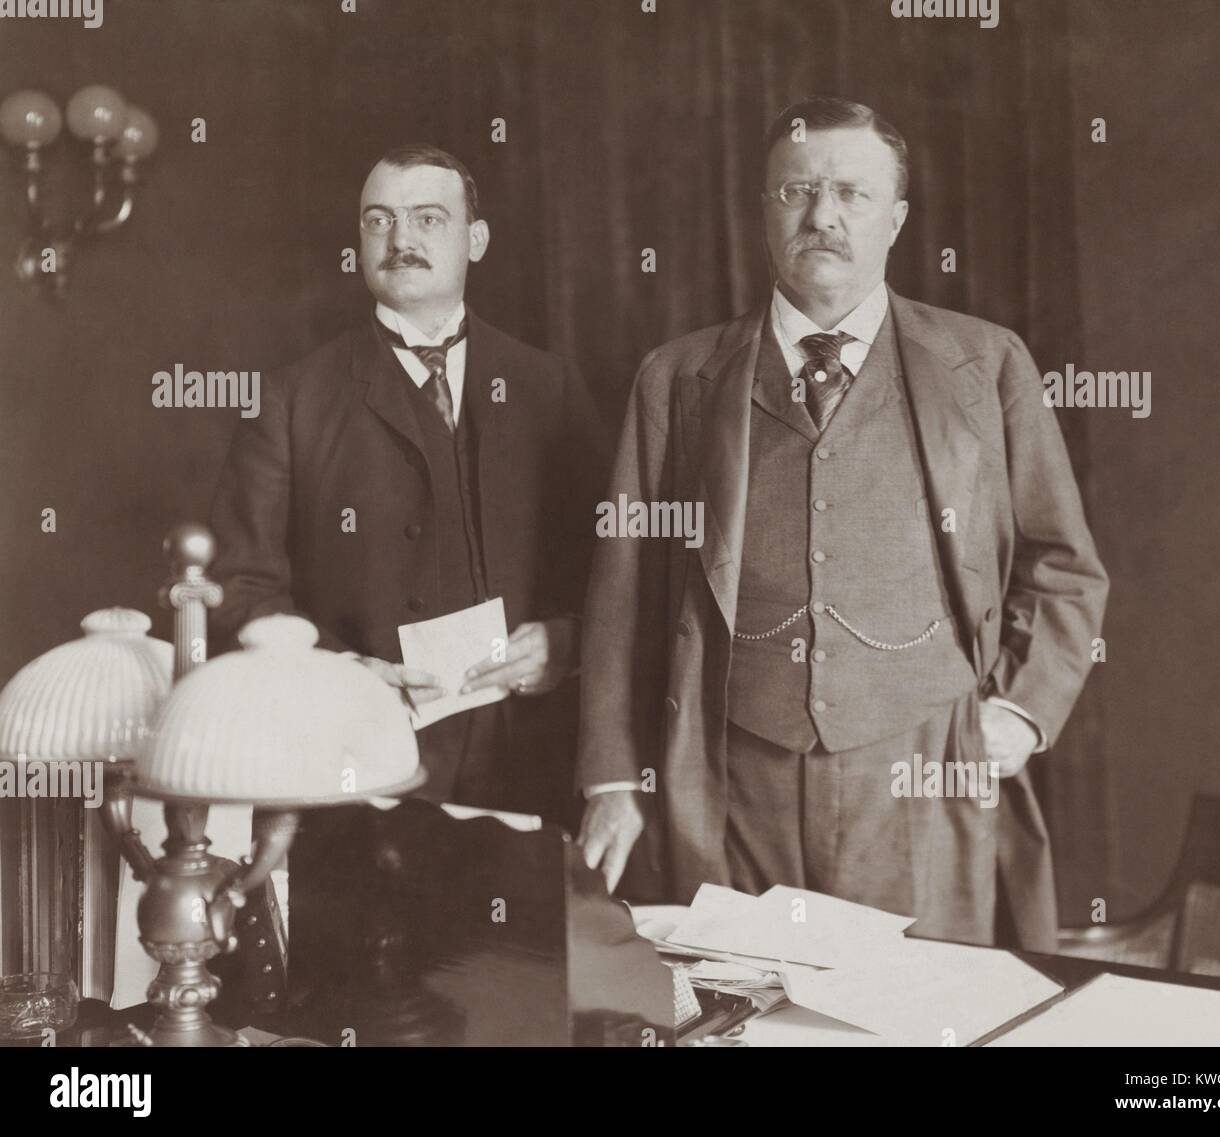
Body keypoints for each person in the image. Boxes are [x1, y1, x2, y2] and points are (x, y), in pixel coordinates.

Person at [575, 97, 1107, 949]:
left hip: (924, 774)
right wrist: (610, 775)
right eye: (796, 193)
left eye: (852, 195)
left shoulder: (987, 364)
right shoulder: (676, 379)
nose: (822, 216)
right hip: (724, 775)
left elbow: (1063, 567)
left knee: (916, 1016)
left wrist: (1018, 711)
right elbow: (620, 596)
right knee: (740, 1010)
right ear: (760, 212)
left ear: (896, 218)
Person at [209, 143, 605, 819]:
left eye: (428, 219)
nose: (401, 240)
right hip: (359, 769)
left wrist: (568, 643)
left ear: (474, 240)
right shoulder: (289, 399)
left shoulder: (550, 386)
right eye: (378, 221)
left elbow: (618, 569)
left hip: (536, 766)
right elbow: (238, 590)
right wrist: (332, 673)